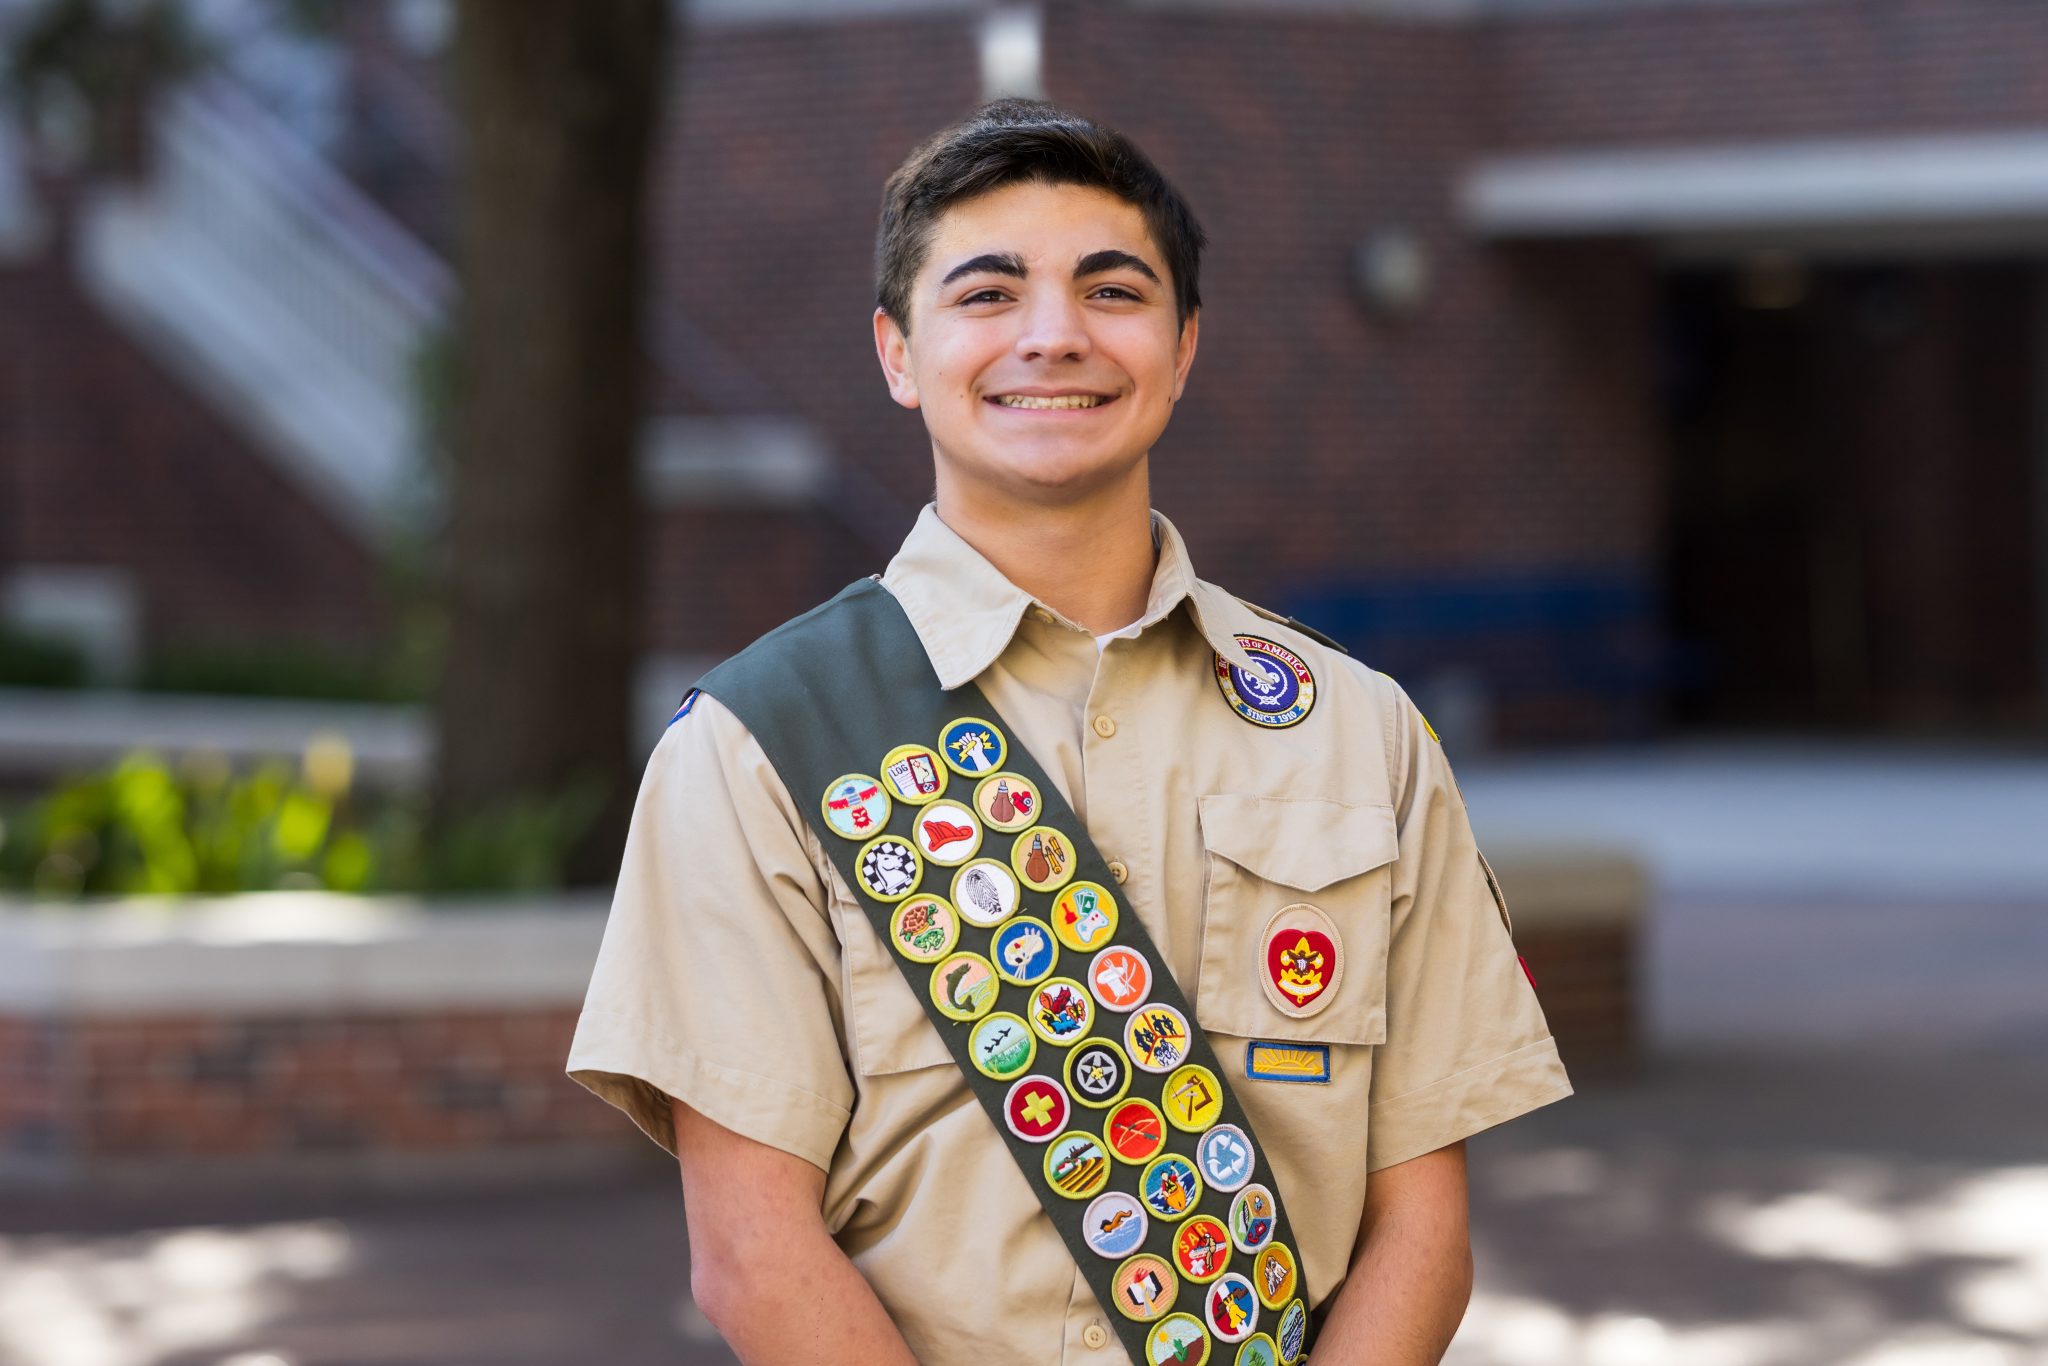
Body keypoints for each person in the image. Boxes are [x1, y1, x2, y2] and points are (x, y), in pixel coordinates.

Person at [567, 97, 1571, 1364]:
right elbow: (752, 1256)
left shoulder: (1358, 732)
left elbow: (1421, 1227)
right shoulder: (758, 743)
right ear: (895, 351)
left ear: (1183, 345)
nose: (1053, 336)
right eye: (986, 295)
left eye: (1112, 290)